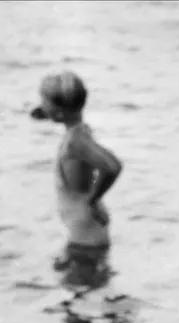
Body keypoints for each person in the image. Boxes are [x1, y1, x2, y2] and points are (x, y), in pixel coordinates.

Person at [30, 72, 122, 253]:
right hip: (84, 231)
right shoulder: (80, 132)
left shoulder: (75, 143)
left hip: (85, 239)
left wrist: (93, 200)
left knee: (76, 280)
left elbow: (113, 167)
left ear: (59, 111)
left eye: (45, 102)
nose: (42, 106)